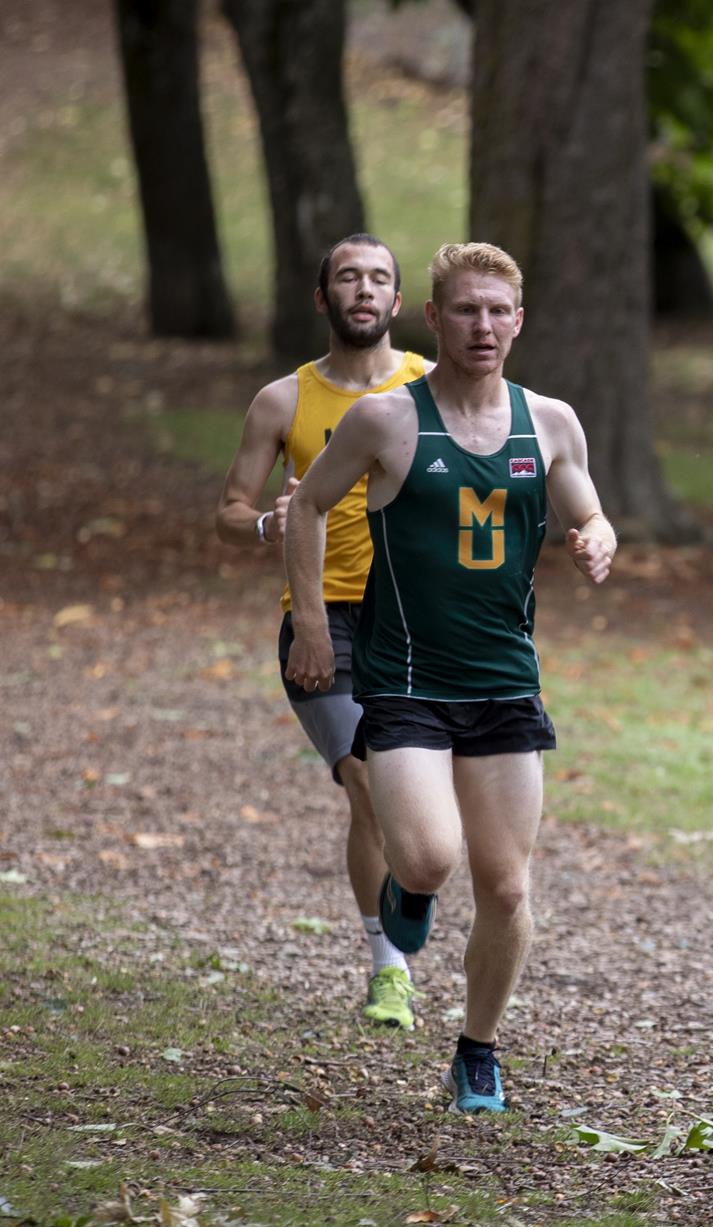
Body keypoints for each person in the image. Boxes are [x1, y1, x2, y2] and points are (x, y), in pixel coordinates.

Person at [283, 242, 616, 1114]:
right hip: (405, 680)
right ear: (434, 318)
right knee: (429, 859)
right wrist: (314, 623)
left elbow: (585, 501)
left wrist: (597, 538)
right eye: (465, 309)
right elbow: (309, 504)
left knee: (508, 886)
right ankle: (406, 885)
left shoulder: (548, 420)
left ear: (519, 318)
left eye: (498, 310)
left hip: (505, 682)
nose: (483, 326)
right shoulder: (386, 421)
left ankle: (477, 1048)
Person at [214, 234, 429, 1031]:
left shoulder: (431, 389)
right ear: (323, 298)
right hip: (322, 617)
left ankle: (414, 888)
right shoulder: (283, 401)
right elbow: (230, 508)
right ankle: (389, 965)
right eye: (348, 277)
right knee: (366, 782)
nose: (363, 290)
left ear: (399, 303)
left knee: (408, 794)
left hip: (416, 616)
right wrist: (272, 518)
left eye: (379, 279)